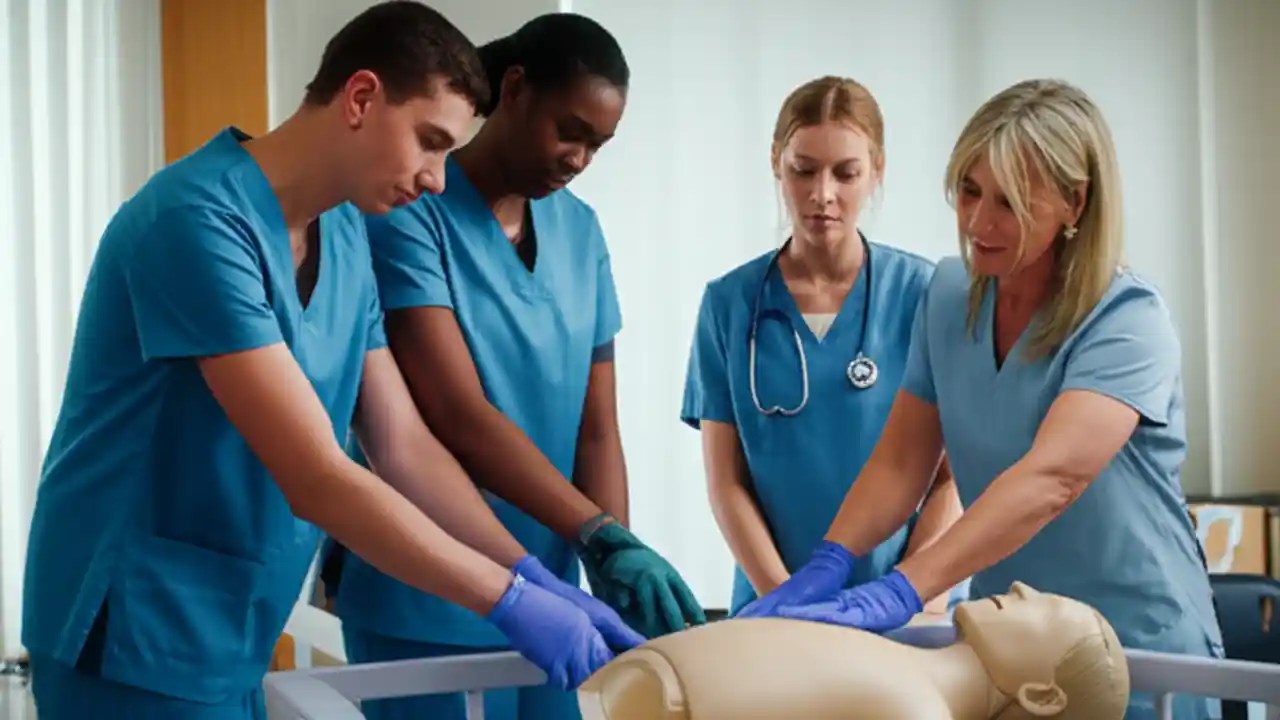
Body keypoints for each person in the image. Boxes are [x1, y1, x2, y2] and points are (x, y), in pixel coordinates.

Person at [19, 4, 642, 719]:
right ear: (362, 97)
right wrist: (507, 599)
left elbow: (402, 445)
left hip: (231, 624)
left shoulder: (345, 233)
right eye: (430, 142)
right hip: (129, 629)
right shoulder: (195, 222)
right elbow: (317, 475)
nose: (439, 179)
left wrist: (530, 572)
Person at [743, 79, 1225, 719]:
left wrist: (904, 589)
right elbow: (899, 464)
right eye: (969, 191)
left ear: (1074, 202)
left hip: (1138, 645)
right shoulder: (947, 297)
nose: (978, 222)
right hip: (1012, 643)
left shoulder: (1127, 319)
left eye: (1012, 202)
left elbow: (1051, 478)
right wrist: (829, 562)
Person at [327, 12, 703, 720]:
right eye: (571, 131)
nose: (579, 158)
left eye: (598, 145)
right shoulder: (409, 211)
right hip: (428, 597)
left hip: (556, 605)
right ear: (516, 88)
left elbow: (597, 428)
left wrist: (609, 560)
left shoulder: (581, 231)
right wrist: (600, 531)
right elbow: (455, 414)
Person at [680, 76, 965, 617]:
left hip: (902, 607)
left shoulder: (924, 296)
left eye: (846, 173)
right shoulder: (729, 304)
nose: (822, 195)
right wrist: (786, 601)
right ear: (775, 163)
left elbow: (948, 479)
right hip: (773, 604)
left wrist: (912, 597)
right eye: (803, 169)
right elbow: (727, 483)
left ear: (877, 169)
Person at [579, 582, 1130, 720]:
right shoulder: (907, 666)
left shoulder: (921, 712)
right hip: (650, 684)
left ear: (1040, 694)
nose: (1022, 590)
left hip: (664, 700)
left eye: (1047, 610)